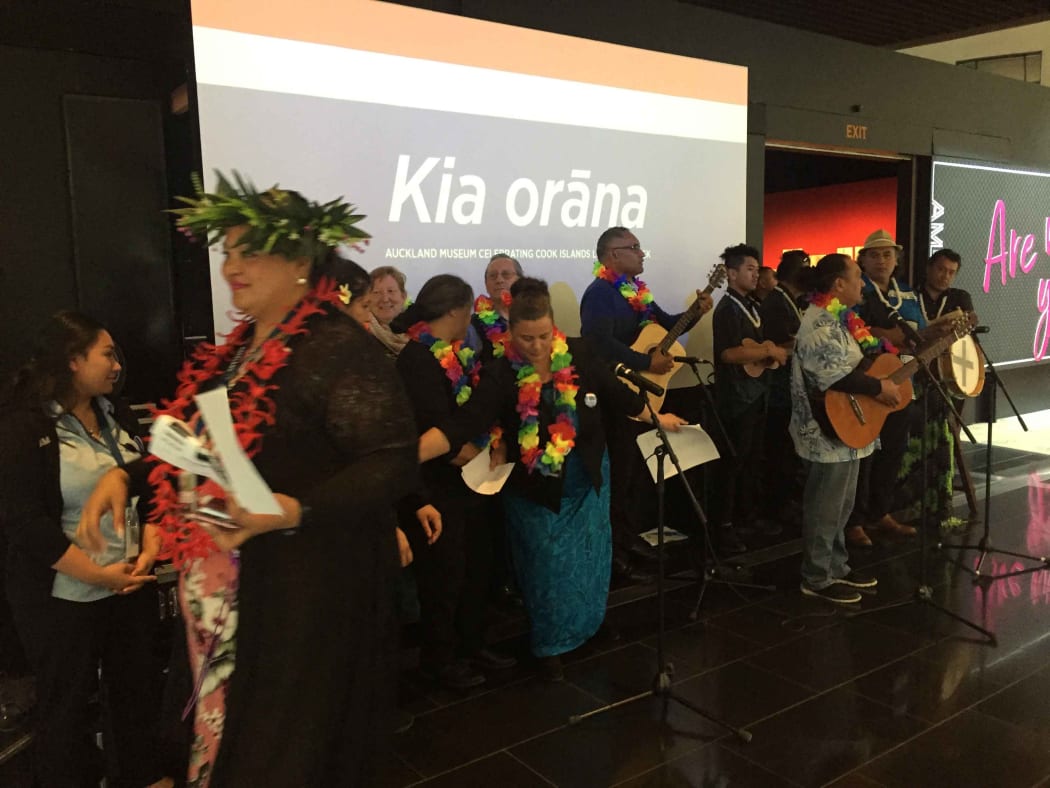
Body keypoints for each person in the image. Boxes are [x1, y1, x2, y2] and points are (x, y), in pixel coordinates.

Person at [80, 173, 418, 786]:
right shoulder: (237, 350)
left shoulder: (336, 347)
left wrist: (293, 509)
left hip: (304, 595)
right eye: (227, 251)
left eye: (248, 250)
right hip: (230, 586)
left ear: (297, 263)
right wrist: (128, 477)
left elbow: (392, 459)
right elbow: (197, 445)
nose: (231, 265)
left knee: (283, 750)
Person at [419, 277, 686, 679]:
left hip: (587, 475)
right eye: (526, 338)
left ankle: (587, 628)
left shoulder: (580, 353)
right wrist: (411, 453)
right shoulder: (501, 373)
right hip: (536, 487)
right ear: (511, 332)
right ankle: (550, 646)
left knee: (591, 560)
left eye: (544, 336)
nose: (537, 347)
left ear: (554, 327)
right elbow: (465, 422)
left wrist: (657, 417)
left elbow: (618, 393)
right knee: (546, 567)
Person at [0, 311, 168, 787]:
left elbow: (150, 482)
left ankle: (143, 777)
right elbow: (25, 524)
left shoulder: (118, 411)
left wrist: (151, 537)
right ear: (73, 360)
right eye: (108, 353)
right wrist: (98, 576)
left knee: (136, 693)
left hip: (128, 583)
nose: (118, 364)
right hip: (61, 596)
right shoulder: (23, 427)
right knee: (67, 704)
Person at [391, 274, 516, 691]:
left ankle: (471, 644)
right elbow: (429, 430)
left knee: (476, 568)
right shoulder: (416, 358)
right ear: (456, 311)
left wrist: (492, 443)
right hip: (435, 487)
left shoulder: (461, 352)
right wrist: (464, 449)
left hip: (473, 481)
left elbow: (473, 411)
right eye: (469, 310)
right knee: (444, 579)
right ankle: (439, 661)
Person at [579, 227, 712, 581]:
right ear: (612, 256)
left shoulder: (636, 292)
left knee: (635, 476)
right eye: (634, 248)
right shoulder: (598, 294)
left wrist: (695, 312)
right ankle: (615, 557)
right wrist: (644, 364)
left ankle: (628, 538)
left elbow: (668, 327)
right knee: (620, 476)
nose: (641, 253)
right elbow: (598, 345)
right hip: (616, 395)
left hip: (641, 393)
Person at [791, 255, 900, 604]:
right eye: (856, 277)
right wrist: (880, 389)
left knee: (842, 504)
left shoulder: (840, 319)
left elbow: (855, 366)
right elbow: (836, 376)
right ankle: (817, 577)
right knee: (826, 507)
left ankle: (836, 566)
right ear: (838, 284)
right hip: (825, 433)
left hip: (847, 430)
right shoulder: (820, 324)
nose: (862, 284)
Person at [846, 229, 924, 547]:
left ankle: (880, 512)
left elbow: (920, 333)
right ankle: (854, 520)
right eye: (874, 254)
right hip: (864, 383)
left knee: (892, 450)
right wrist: (887, 334)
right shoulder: (855, 290)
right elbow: (851, 327)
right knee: (862, 454)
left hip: (901, 381)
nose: (881, 260)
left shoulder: (905, 293)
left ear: (897, 260)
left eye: (887, 254)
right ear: (862, 260)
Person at [710, 244, 789, 553]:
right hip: (735, 398)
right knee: (733, 461)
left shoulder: (753, 306)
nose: (756, 274)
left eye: (758, 269)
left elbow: (755, 348)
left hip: (757, 394)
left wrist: (769, 354)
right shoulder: (727, 308)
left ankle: (747, 516)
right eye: (749, 269)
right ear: (731, 273)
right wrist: (768, 351)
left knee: (752, 460)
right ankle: (724, 525)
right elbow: (728, 353)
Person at [900, 248, 977, 528]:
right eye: (941, 269)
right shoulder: (909, 296)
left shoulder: (959, 298)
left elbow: (969, 335)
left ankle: (938, 504)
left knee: (942, 436)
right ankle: (906, 507)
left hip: (943, 378)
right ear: (929, 268)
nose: (945, 276)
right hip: (911, 375)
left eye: (951, 272)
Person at [758, 249, 810, 527]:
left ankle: (787, 502)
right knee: (779, 449)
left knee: (787, 450)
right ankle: (778, 507)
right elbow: (777, 346)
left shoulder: (790, 300)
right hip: (779, 389)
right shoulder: (777, 303)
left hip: (791, 387)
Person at [472, 253, 522, 362]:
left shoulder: (534, 317)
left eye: (506, 275)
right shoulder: (473, 324)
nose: (499, 280)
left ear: (520, 281)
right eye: (493, 276)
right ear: (486, 284)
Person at [369, 265, 411, 355]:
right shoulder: (360, 335)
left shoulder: (423, 331)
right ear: (367, 299)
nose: (385, 299)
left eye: (391, 291)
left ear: (403, 296)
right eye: (377, 292)